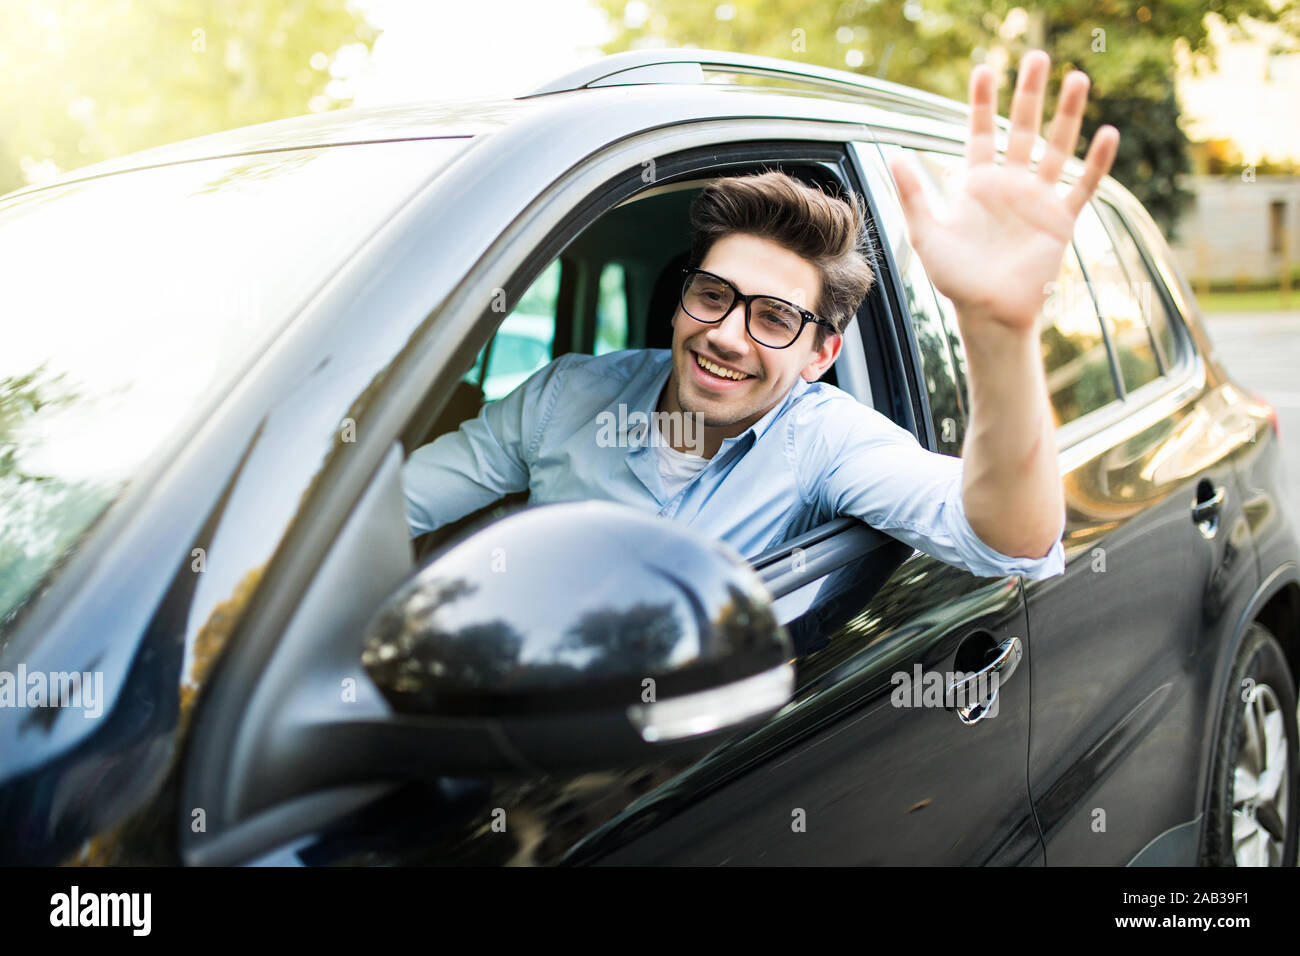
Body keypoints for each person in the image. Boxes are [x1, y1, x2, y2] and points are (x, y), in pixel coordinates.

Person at [403, 50, 1119, 580]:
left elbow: (1009, 540)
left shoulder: (827, 443)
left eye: (773, 318)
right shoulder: (564, 396)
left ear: (820, 356)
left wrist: (1001, 335)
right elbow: (393, 509)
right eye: (713, 295)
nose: (725, 333)